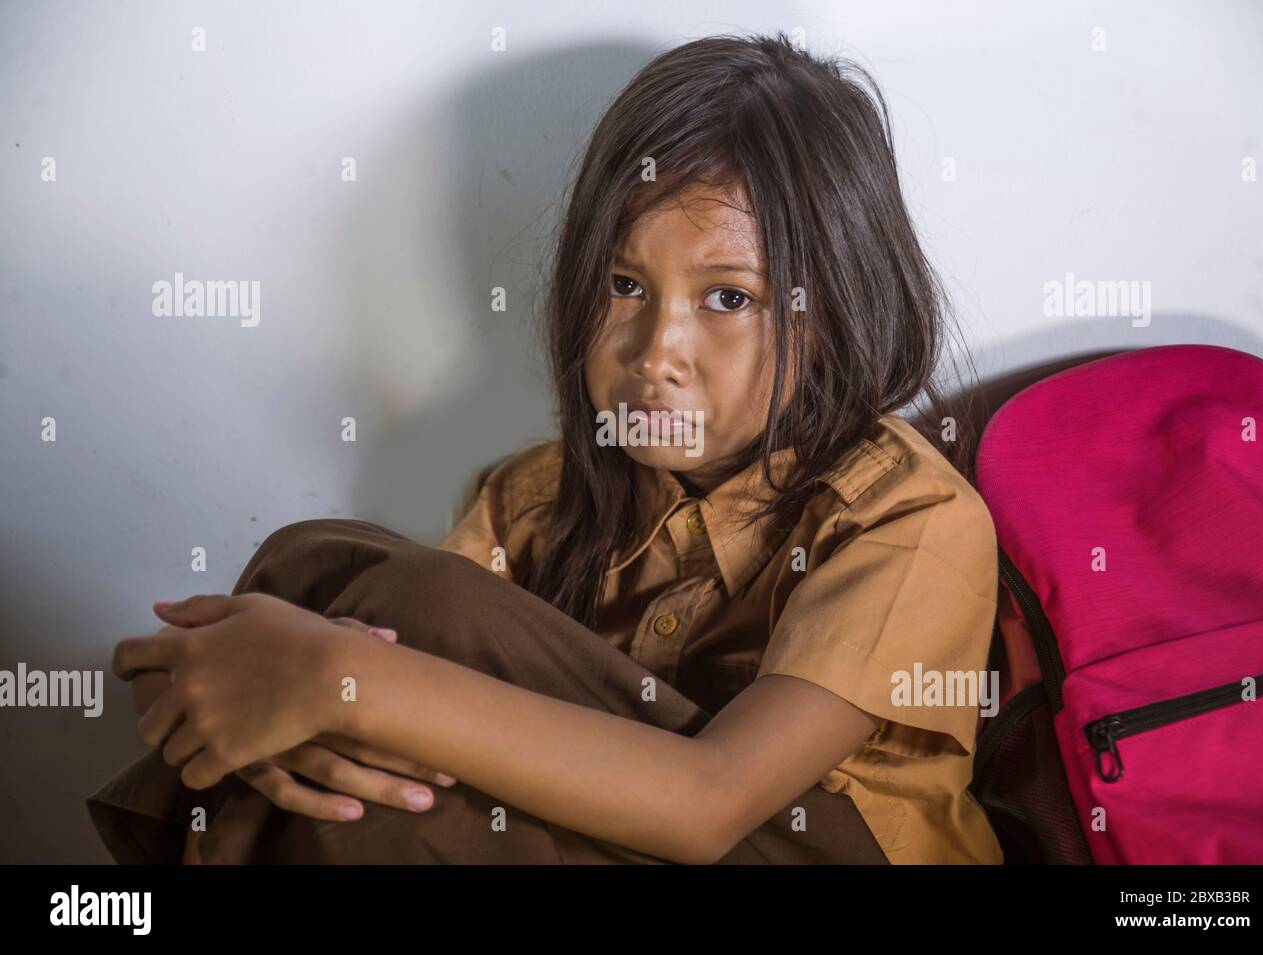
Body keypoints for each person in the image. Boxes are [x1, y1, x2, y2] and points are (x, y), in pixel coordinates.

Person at [89, 31, 1003, 865]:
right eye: (623, 283)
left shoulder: (908, 518)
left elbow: (707, 803)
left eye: (729, 298)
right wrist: (269, 704)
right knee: (315, 581)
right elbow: (404, 719)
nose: (655, 355)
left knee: (401, 608)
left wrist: (336, 679)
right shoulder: (535, 497)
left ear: (840, 303)